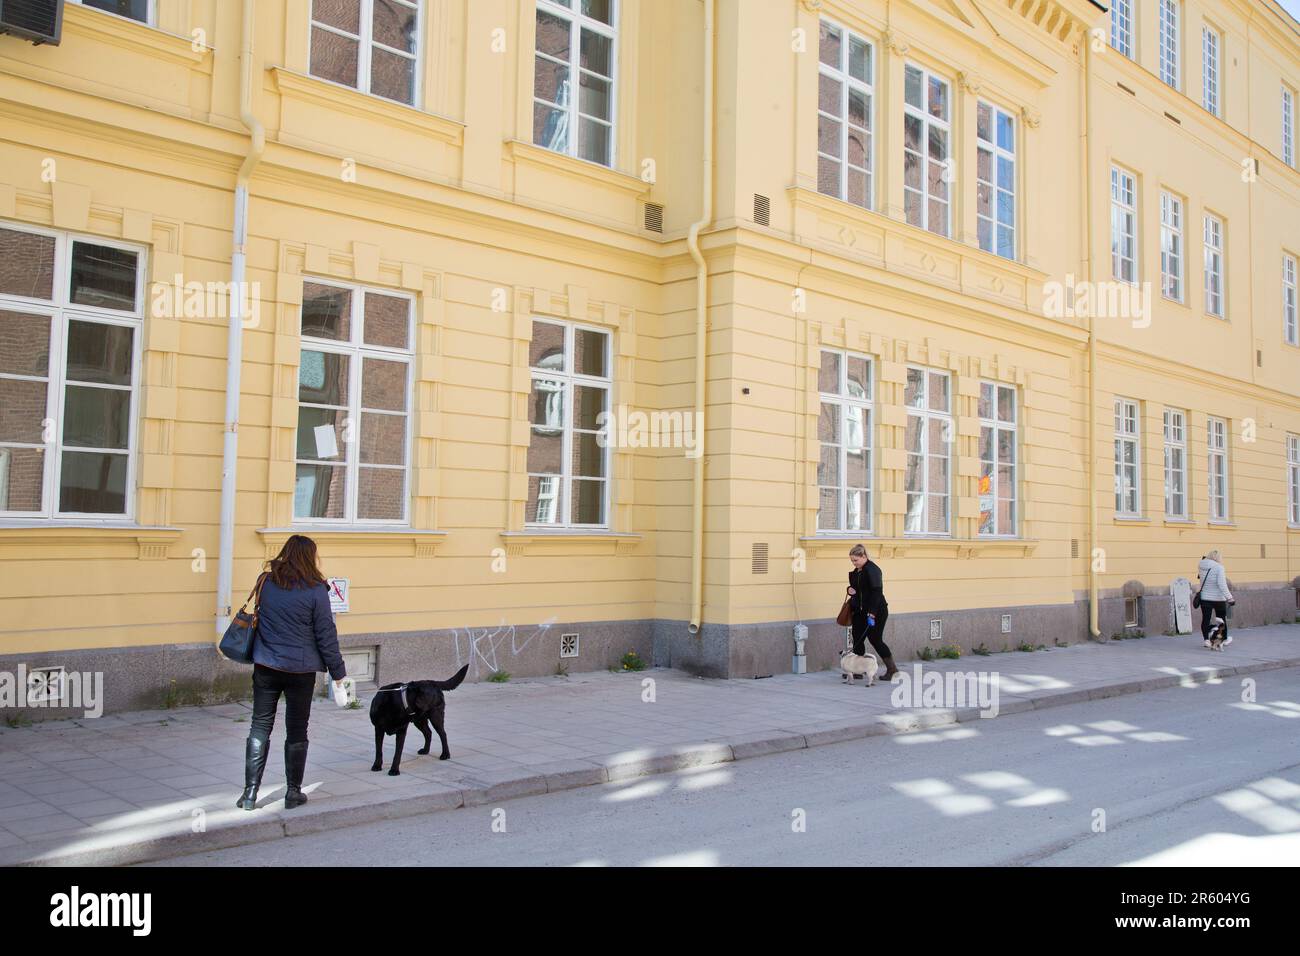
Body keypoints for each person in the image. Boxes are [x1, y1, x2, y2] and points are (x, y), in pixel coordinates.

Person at [236, 534, 347, 810]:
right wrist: (338, 673)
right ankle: (292, 793)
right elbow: (326, 634)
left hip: (267, 665)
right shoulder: (316, 590)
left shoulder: (267, 581)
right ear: (311, 557)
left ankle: (250, 794)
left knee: (260, 726)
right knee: (297, 729)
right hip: (301, 669)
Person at [846, 544, 899, 682]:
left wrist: (872, 613)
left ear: (864, 556)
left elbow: (876, 592)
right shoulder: (859, 571)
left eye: (855, 560)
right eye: (852, 561)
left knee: (876, 640)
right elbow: (858, 590)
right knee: (857, 638)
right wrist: (850, 590)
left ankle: (892, 669)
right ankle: (857, 669)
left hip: (876, 611)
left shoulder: (873, 570)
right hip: (860, 610)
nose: (854, 563)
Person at [1196, 549, 1234, 648]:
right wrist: (1230, 598)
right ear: (1218, 558)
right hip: (1218, 599)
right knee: (1221, 619)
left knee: (1206, 619)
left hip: (1205, 598)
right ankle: (1223, 639)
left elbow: (1201, 579)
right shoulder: (1219, 567)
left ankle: (1206, 640)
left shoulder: (1201, 565)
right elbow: (1222, 584)